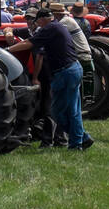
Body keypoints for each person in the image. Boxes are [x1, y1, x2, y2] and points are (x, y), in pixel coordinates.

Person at [7, 8, 93, 151]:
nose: (37, 24)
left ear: (42, 20)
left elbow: (29, 43)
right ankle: (79, 140)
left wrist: (7, 50)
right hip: (72, 69)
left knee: (57, 111)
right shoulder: (56, 27)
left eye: (37, 21)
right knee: (72, 109)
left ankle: (79, 140)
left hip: (65, 72)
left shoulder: (50, 28)